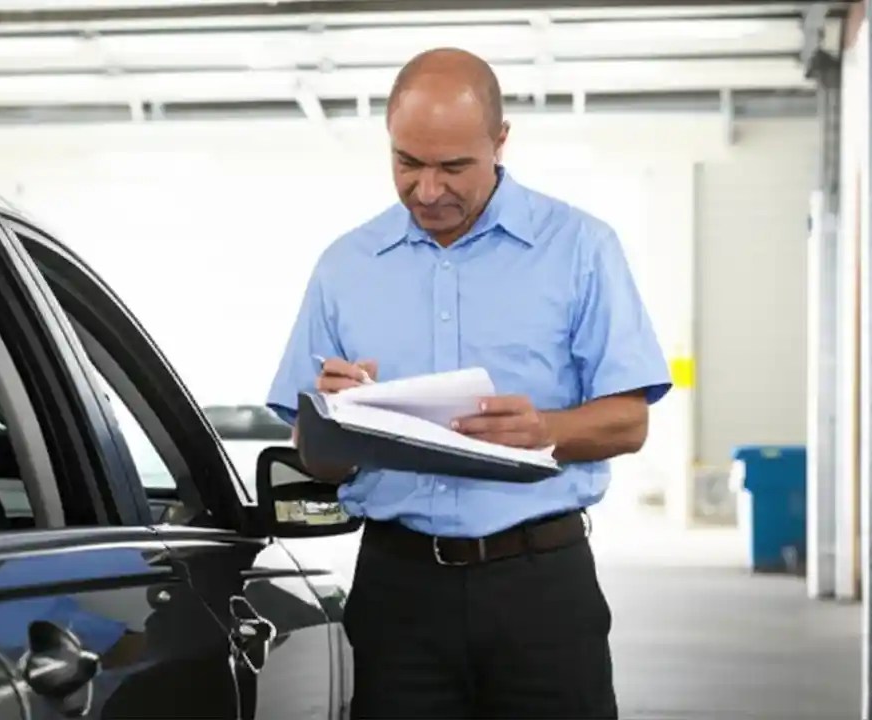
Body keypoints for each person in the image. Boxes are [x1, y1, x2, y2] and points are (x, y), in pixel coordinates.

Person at [266, 47, 672, 720]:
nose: (428, 190)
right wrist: (335, 419)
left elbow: (629, 422)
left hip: (540, 586)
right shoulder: (345, 267)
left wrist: (549, 430)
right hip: (397, 592)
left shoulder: (580, 248)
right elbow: (316, 457)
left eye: (454, 167)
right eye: (407, 163)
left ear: (500, 142)